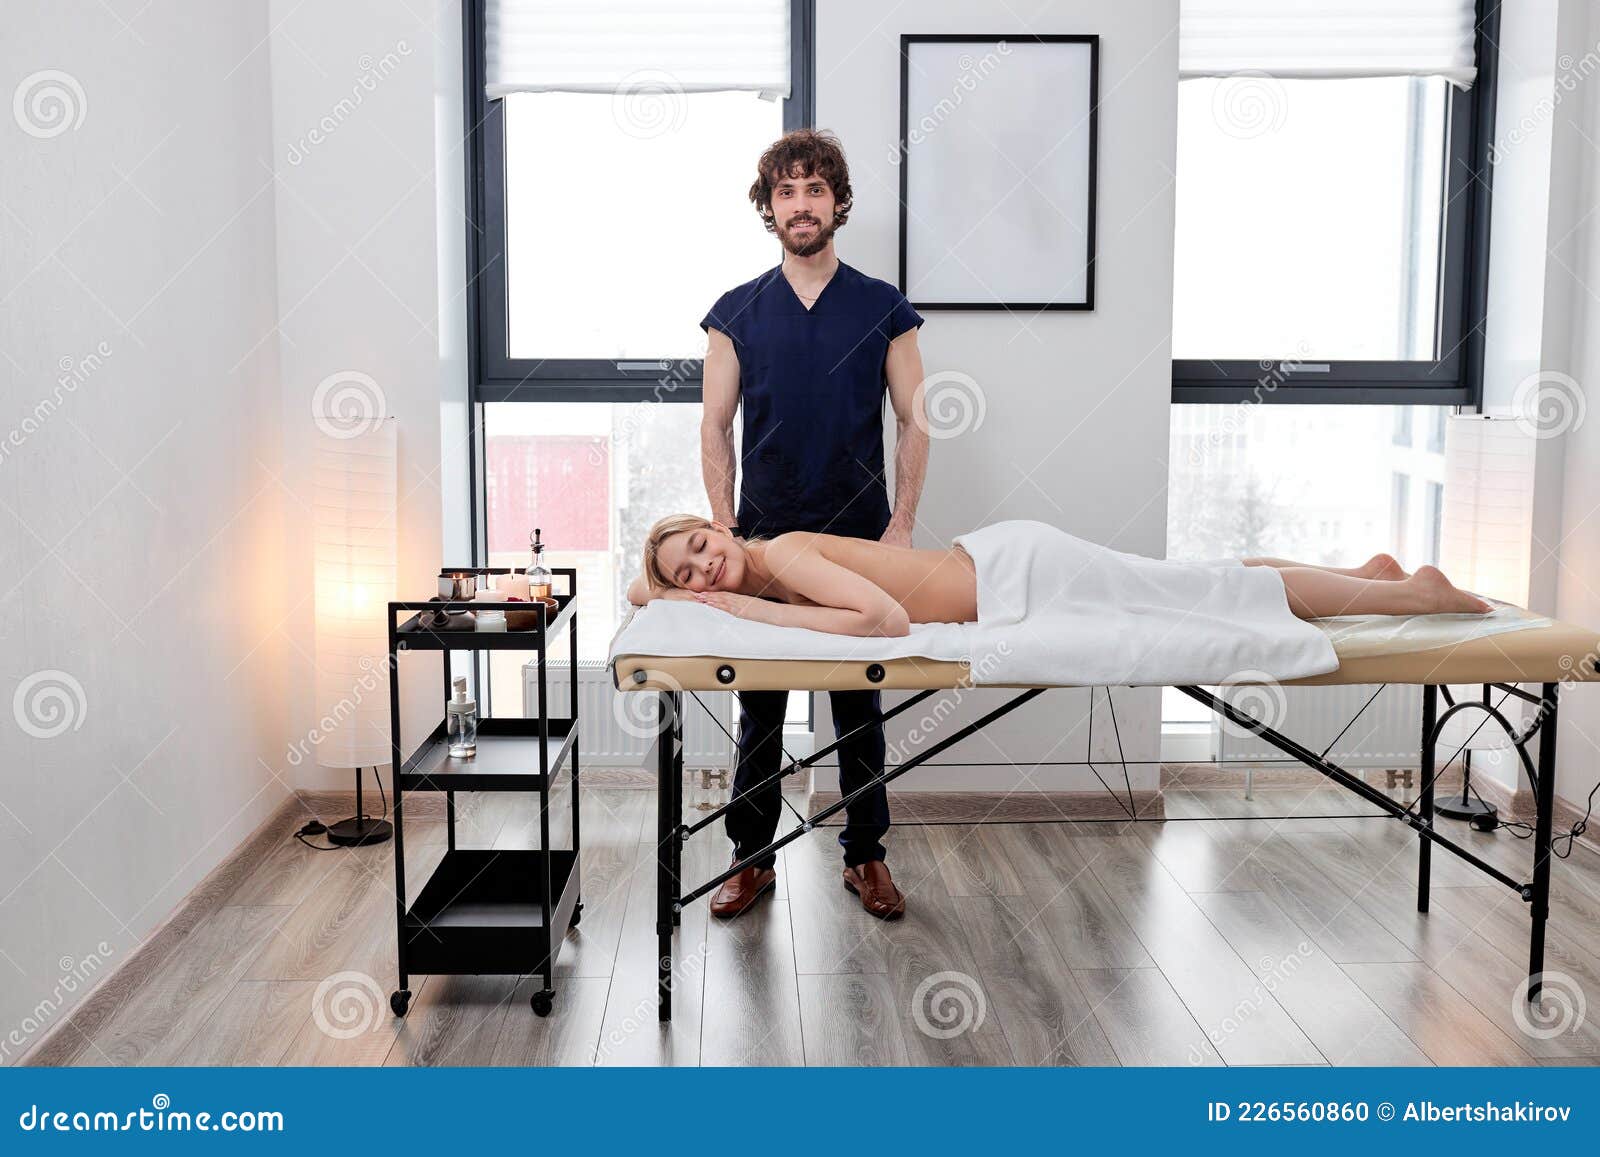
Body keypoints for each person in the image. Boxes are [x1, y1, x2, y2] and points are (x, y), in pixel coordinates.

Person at [627, 129, 928, 921]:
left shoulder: (882, 305)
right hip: (763, 536)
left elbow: (916, 422)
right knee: (759, 706)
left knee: (860, 705)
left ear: (837, 203)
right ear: (770, 208)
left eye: (815, 189)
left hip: (858, 537)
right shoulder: (735, 312)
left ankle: (865, 855)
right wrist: (724, 527)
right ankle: (749, 856)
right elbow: (713, 427)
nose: (802, 204)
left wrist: (901, 526)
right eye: (787, 192)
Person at [634, 515, 1493, 635]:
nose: (704, 566)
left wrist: (745, 611)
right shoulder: (768, 572)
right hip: (1010, 571)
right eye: (689, 573)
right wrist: (664, 589)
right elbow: (642, 591)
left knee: (1208, 592)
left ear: (720, 526)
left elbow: (883, 623)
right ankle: (1364, 574)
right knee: (1198, 579)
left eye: (701, 547)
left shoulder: (780, 558)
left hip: (1025, 575)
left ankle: (1412, 594)